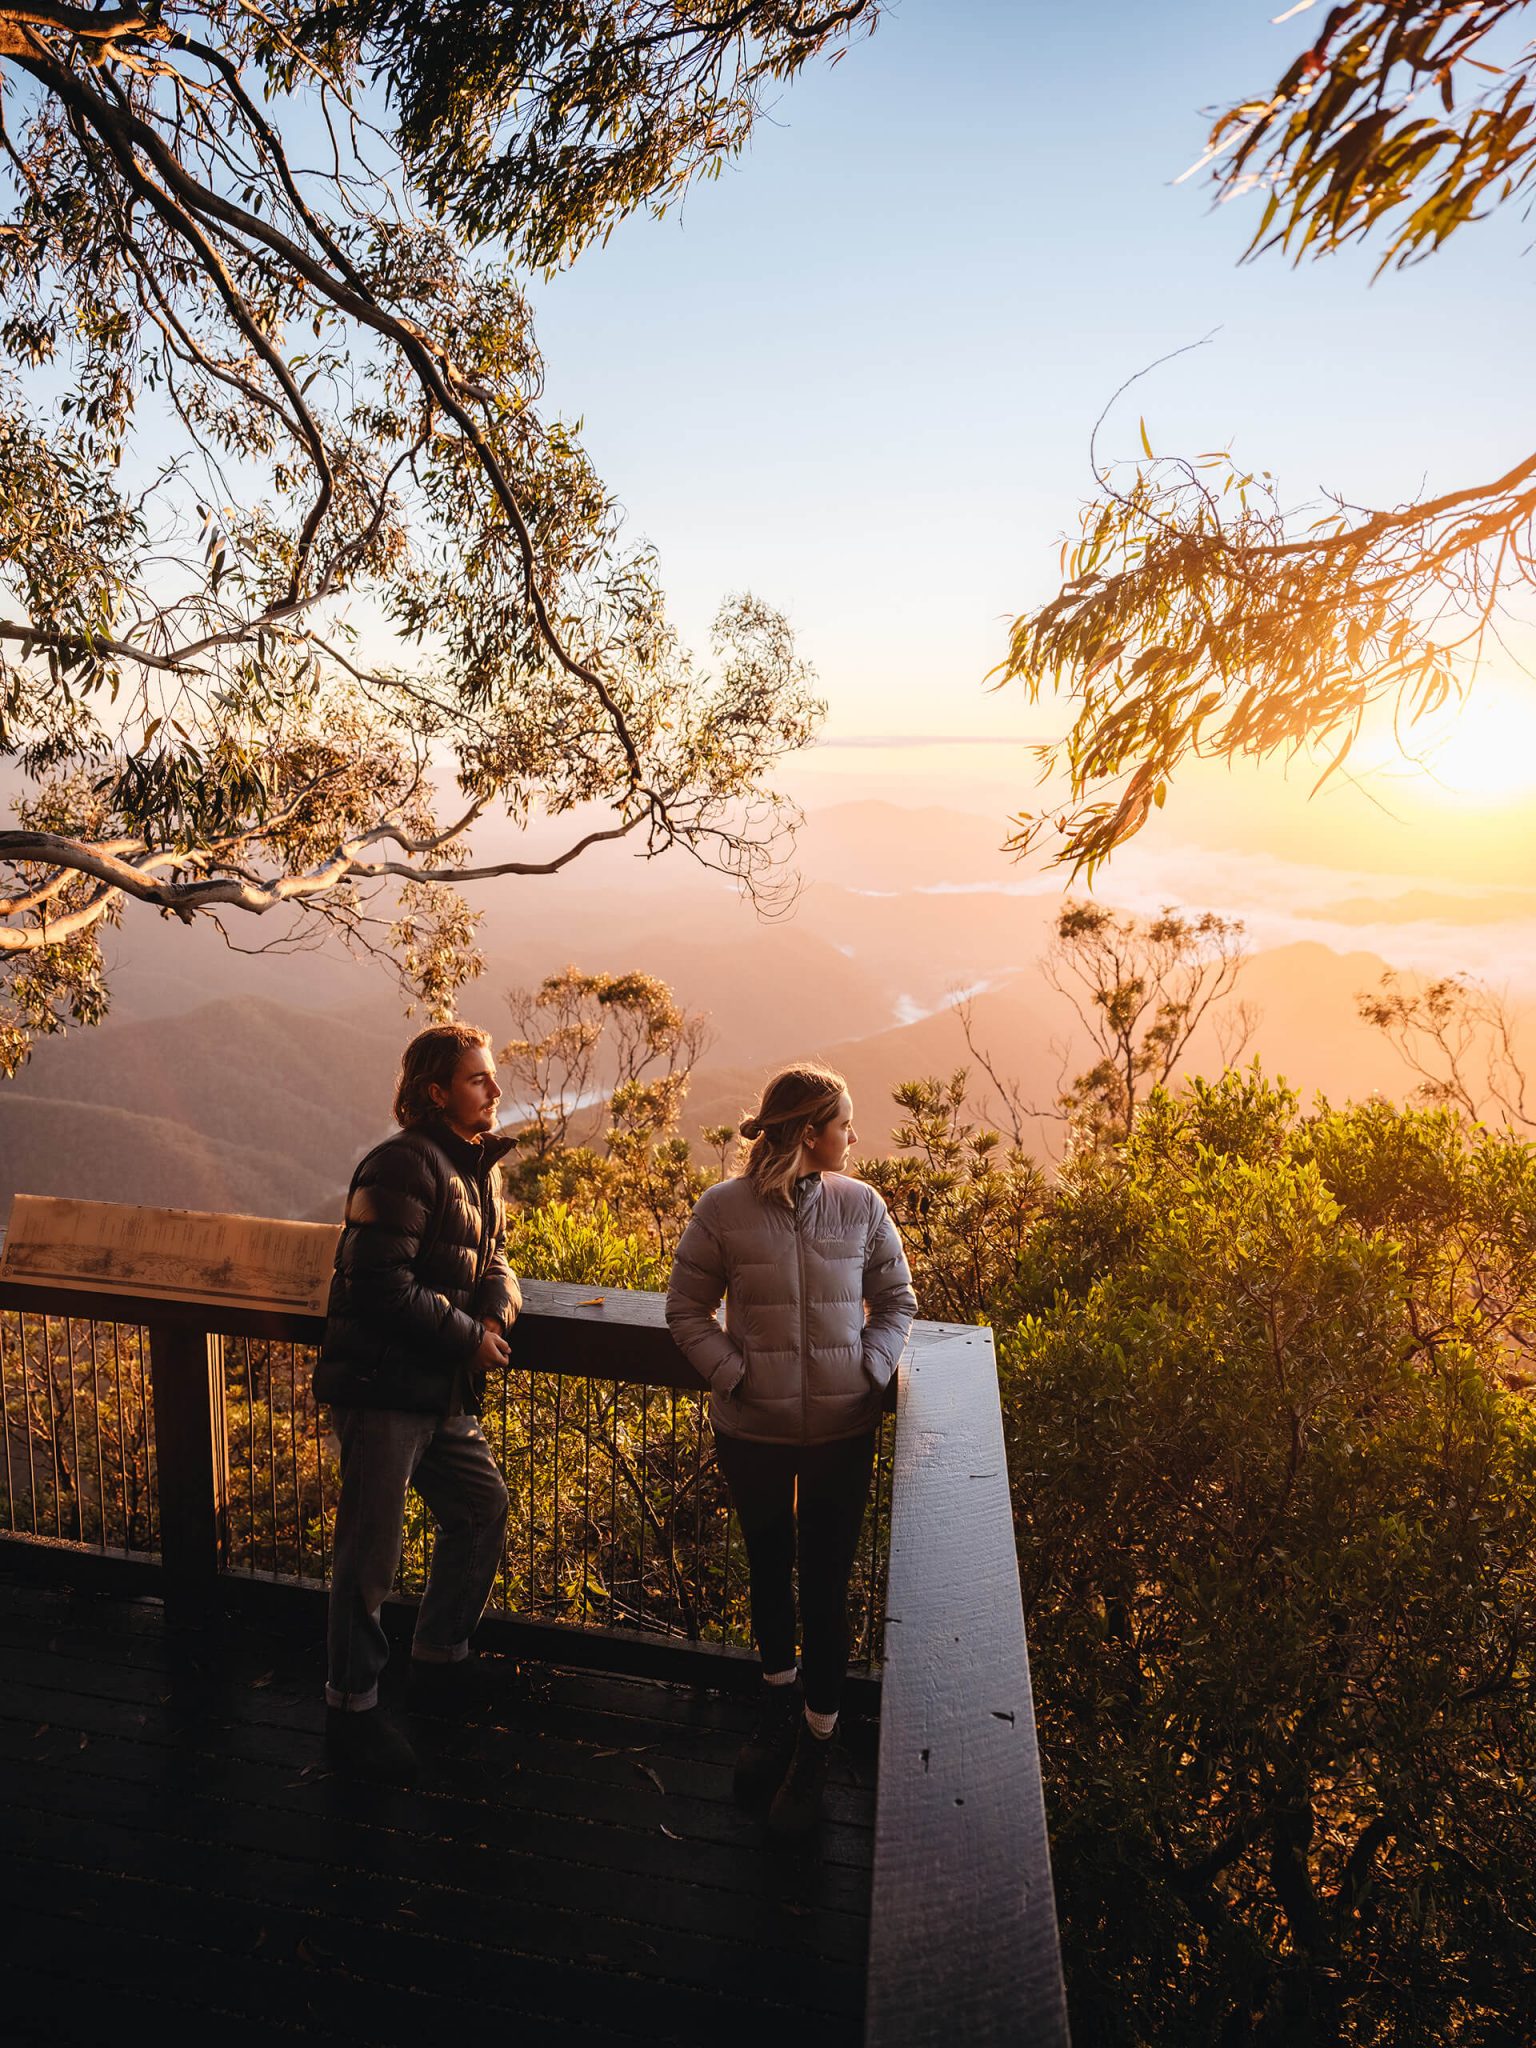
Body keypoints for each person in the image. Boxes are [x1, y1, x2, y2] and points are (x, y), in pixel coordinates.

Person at [666, 1062, 916, 1838]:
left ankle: (816, 1742)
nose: (851, 1137)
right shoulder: (724, 1210)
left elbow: (897, 1300)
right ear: (811, 1133)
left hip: (843, 1431)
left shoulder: (862, 1205)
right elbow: (686, 1308)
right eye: (843, 1123)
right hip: (754, 1431)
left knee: (828, 1587)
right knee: (770, 1570)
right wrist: (735, 1375)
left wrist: (869, 1372)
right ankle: (777, 1708)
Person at [315, 1022, 520, 1781]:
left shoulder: (478, 1168)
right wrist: (467, 1337)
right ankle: (352, 1708)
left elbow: (494, 1258)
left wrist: (493, 1316)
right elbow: (377, 1283)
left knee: (480, 1506)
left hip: (438, 1391)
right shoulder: (402, 1163)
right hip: (382, 1391)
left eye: (490, 1078)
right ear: (437, 1092)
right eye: (477, 1079)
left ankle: (438, 1659)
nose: (494, 1090)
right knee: (369, 1555)